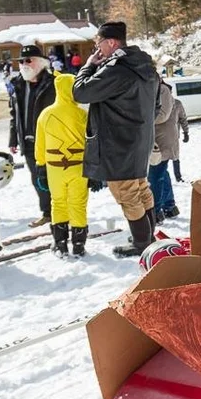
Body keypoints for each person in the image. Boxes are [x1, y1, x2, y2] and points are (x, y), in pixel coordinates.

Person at [73, 22, 161, 258]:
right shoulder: (145, 65)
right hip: (139, 139)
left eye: (97, 43)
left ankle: (142, 243)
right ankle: (147, 236)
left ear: (111, 42)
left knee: (127, 194)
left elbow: (80, 92)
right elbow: (157, 105)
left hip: (119, 143)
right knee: (141, 188)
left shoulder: (116, 69)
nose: (96, 49)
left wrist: (88, 67)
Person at [35, 73, 90, 257]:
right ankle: (79, 245)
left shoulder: (46, 114)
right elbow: (91, 141)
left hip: (54, 167)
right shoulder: (82, 113)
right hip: (78, 165)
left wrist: (40, 165)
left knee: (57, 202)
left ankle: (60, 244)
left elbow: (40, 143)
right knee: (78, 204)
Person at [8, 44, 57, 228]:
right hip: (28, 142)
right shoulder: (18, 84)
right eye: (21, 61)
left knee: (53, 179)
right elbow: (14, 115)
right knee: (37, 179)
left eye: (28, 60)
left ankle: (61, 213)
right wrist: (13, 138)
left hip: (50, 141)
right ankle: (47, 213)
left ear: (41, 62)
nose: (24, 64)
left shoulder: (53, 83)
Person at [149, 78, 188, 219]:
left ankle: (156, 211)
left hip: (162, 143)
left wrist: (140, 119)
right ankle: (170, 206)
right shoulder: (154, 90)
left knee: (155, 176)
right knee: (161, 173)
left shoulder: (162, 91)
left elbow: (162, 116)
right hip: (160, 141)